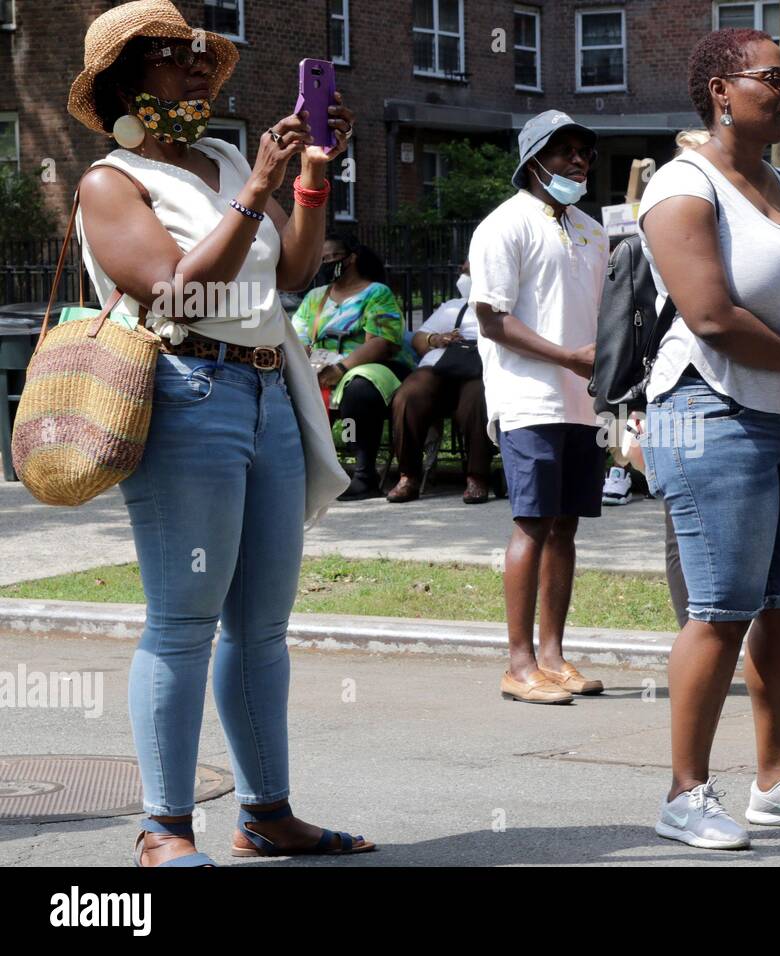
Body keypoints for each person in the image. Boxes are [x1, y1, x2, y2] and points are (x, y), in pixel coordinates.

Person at [69, 0, 372, 865]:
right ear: (129, 79)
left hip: (270, 392)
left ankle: (266, 814)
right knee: (183, 621)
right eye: (175, 54)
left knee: (262, 626)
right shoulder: (110, 181)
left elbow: (298, 270)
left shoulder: (225, 156)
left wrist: (310, 173)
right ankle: (163, 829)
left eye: (202, 51)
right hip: (185, 391)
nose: (199, 65)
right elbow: (173, 290)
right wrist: (255, 192)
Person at [638, 28, 780, 850]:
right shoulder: (682, 186)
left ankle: (778, 784)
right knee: (722, 607)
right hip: (710, 411)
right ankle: (684, 794)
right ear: (721, 91)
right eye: (775, 78)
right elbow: (710, 317)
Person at [469, 110, 609, 703]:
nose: (576, 161)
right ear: (532, 161)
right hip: (529, 397)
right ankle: (518, 663)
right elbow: (490, 317)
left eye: (583, 151)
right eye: (562, 151)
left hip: (584, 401)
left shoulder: (595, 230)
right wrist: (565, 357)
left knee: (566, 526)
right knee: (531, 522)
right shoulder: (504, 225)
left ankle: (552, 655)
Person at [293, 234, 414, 500]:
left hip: (372, 366)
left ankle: (364, 474)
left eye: (331, 258)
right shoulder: (315, 297)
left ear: (351, 258)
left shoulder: (376, 293)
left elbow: (383, 342)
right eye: (320, 260)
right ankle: (308, 471)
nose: (325, 264)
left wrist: (341, 368)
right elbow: (298, 337)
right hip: (322, 368)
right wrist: (308, 366)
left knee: (358, 391)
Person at [387, 261, 492, 504]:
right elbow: (419, 340)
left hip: (480, 368)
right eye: (462, 270)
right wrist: (436, 338)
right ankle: (408, 475)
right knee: (409, 396)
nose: (462, 275)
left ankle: (477, 476)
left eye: (468, 270)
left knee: (477, 398)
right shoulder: (453, 307)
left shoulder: (507, 306)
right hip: (440, 365)